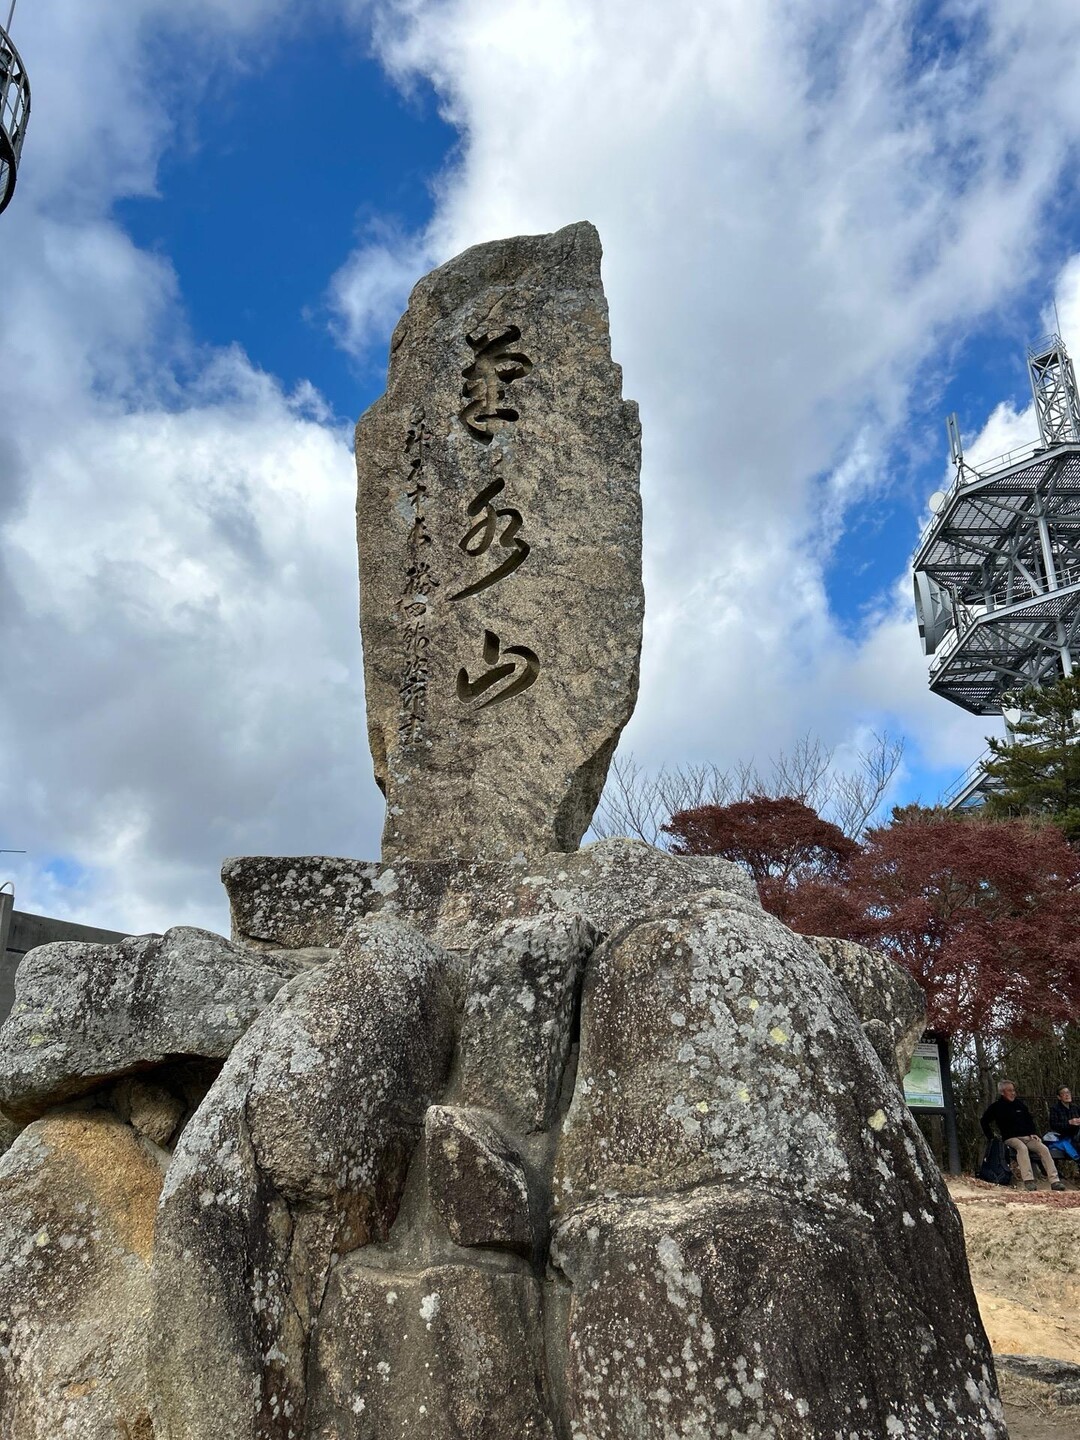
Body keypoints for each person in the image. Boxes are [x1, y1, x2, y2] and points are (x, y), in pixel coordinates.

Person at [980, 1079, 1066, 1191]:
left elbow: (1029, 1120)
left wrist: (1033, 1133)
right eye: (1009, 1091)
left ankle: (1055, 1181)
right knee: (1022, 1148)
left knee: (1043, 1149)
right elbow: (984, 1121)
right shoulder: (996, 1107)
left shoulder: (1020, 1105)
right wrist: (991, 1137)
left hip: (1027, 1137)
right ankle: (1029, 1181)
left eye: (1013, 1090)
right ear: (1002, 1092)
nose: (1013, 1093)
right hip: (1011, 1138)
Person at [1048, 1085, 1080, 1162]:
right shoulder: (1055, 1109)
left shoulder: (1075, 1107)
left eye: (1068, 1092)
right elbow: (1054, 1125)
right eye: (1063, 1093)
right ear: (1059, 1097)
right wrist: (1069, 1122)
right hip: (1063, 1137)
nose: (1067, 1095)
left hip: (1076, 1135)